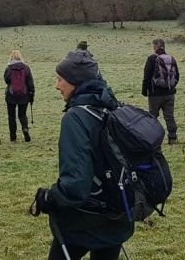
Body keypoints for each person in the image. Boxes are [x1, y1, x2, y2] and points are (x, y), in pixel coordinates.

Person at [31, 50, 134, 260]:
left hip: (85, 220)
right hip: (118, 212)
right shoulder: (111, 107)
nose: (57, 86)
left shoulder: (75, 117)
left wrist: (49, 197)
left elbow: (75, 186)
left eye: (60, 79)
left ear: (75, 82)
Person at [141, 38, 179, 145]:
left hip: (155, 94)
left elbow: (146, 76)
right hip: (169, 94)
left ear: (155, 47)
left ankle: (153, 139)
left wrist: (145, 91)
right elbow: (177, 76)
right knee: (169, 116)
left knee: (153, 116)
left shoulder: (151, 59)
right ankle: (173, 138)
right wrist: (171, 88)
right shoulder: (171, 59)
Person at [4, 50, 36, 143]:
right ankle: (25, 128)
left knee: (11, 116)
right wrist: (31, 94)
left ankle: (13, 137)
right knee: (22, 114)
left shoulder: (9, 68)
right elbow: (30, 83)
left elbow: (6, 80)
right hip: (24, 95)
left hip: (11, 95)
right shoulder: (26, 68)